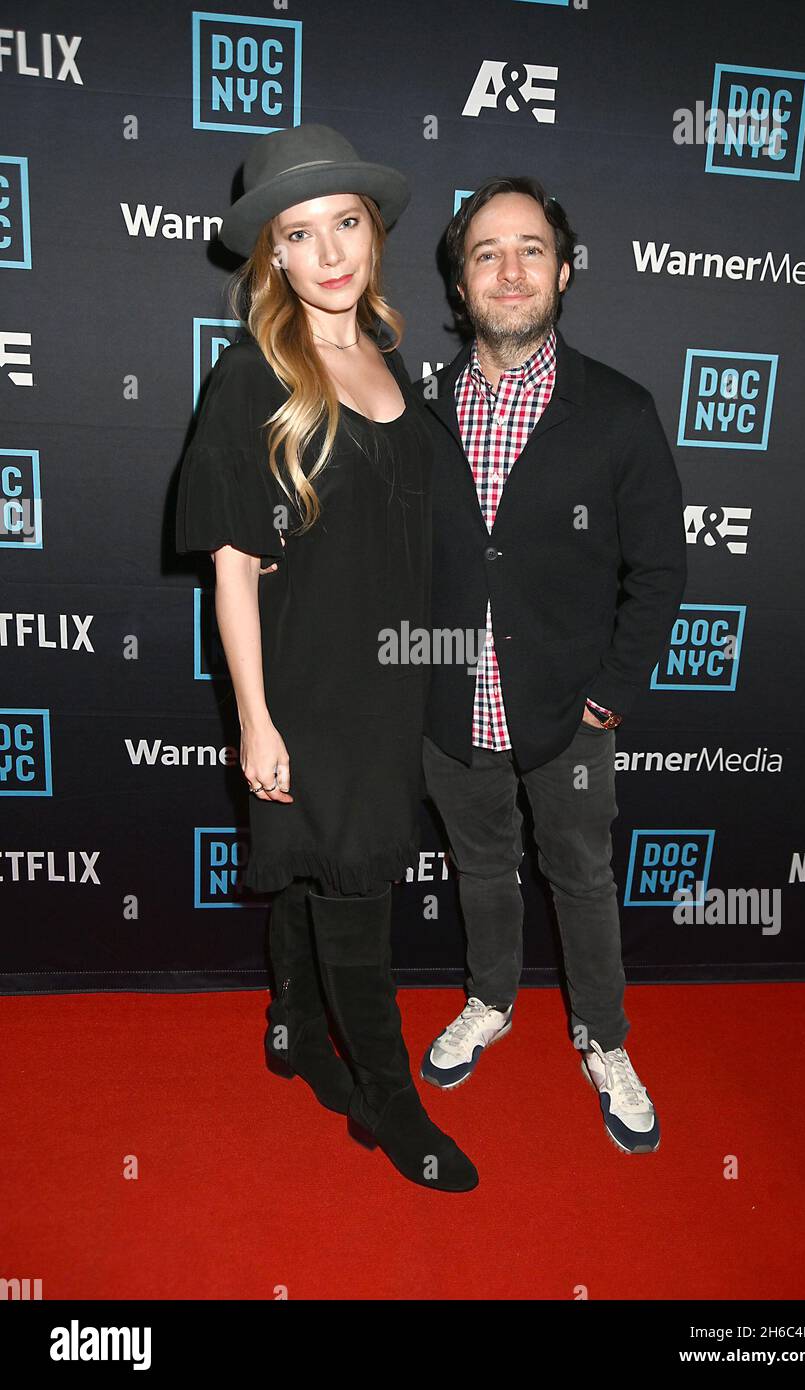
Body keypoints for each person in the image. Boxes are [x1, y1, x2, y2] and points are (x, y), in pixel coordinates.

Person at [174, 125, 477, 1192]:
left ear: (373, 234)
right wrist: (257, 720)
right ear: (273, 255)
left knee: (322, 868)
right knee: (355, 889)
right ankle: (391, 1103)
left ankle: (297, 1027)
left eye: (345, 222)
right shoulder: (251, 377)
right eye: (299, 233)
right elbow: (233, 569)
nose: (330, 250)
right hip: (309, 685)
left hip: (391, 684)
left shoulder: (389, 361)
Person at [415, 176, 688, 1154]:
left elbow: (660, 570)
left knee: (581, 878)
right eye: (486, 252)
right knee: (483, 868)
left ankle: (604, 1039)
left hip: (570, 714)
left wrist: (607, 698)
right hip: (449, 708)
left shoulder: (617, 409)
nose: (510, 269)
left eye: (531, 248)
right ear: (460, 282)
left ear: (564, 271)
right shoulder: (418, 408)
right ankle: (491, 998)